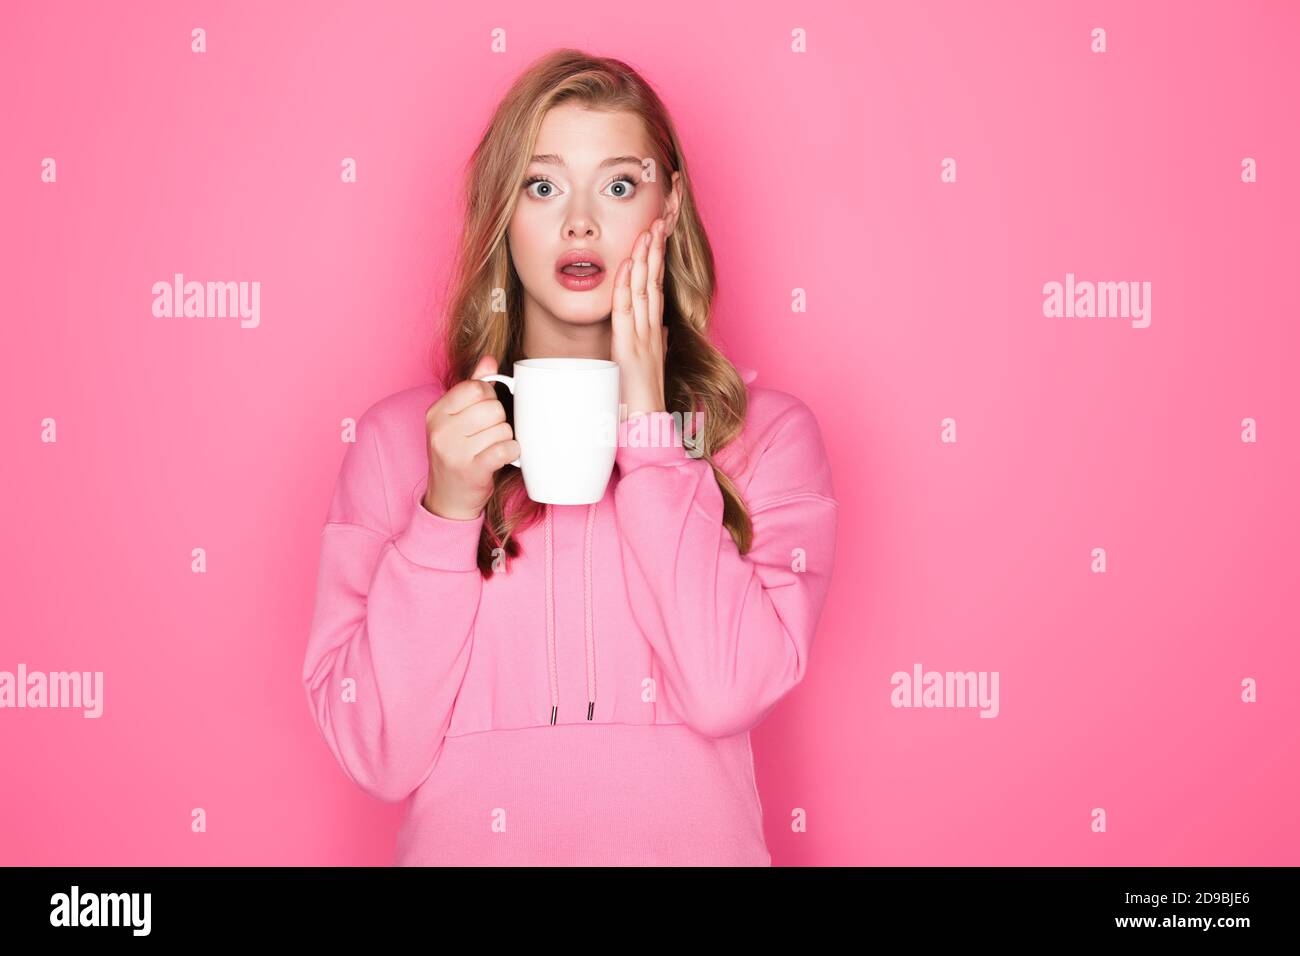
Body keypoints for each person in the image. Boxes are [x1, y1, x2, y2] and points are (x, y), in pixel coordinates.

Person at [301, 48, 839, 866]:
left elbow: (727, 689)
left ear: (671, 205)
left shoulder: (761, 435)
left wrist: (654, 434)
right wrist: (445, 511)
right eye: (543, 185)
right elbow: (378, 753)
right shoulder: (403, 441)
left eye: (619, 185)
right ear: (502, 209)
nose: (580, 222)